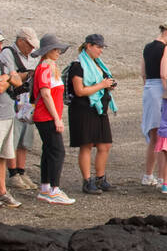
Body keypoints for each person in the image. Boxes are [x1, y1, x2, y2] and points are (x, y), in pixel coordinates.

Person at [67, 33, 117, 194]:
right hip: (83, 109)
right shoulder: (78, 65)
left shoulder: (97, 64)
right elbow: (79, 91)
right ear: (89, 46)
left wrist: (108, 85)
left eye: (102, 47)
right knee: (87, 144)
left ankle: (100, 178)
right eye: (98, 47)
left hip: (99, 108)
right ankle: (87, 181)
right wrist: (102, 85)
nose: (101, 50)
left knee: (105, 144)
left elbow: (99, 84)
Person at [31, 33, 74, 204]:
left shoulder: (48, 67)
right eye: (55, 49)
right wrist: (57, 118)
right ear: (47, 51)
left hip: (46, 115)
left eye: (58, 49)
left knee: (49, 150)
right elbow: (46, 94)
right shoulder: (44, 68)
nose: (58, 52)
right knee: (57, 151)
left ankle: (45, 188)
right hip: (46, 116)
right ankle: (54, 189)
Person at [141, 20, 167, 186]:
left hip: (149, 88)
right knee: (162, 133)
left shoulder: (147, 47)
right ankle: (160, 177)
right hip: (160, 89)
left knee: (154, 134)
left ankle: (149, 175)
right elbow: (165, 74)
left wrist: (148, 89)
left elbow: (143, 73)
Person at [3, 28, 41, 192]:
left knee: (25, 139)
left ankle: (21, 171)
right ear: (20, 41)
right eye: (29, 45)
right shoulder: (8, 53)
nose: (32, 49)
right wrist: (27, 75)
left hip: (28, 102)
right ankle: (13, 175)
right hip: (13, 102)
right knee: (13, 138)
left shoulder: (33, 55)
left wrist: (24, 76)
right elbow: (13, 78)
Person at [0, 31, 22, 208]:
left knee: (3, 157)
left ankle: (2, 192)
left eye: (1, 43)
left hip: (7, 114)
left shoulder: (2, 62)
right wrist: (9, 78)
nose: (0, 47)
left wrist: (7, 78)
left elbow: (19, 82)